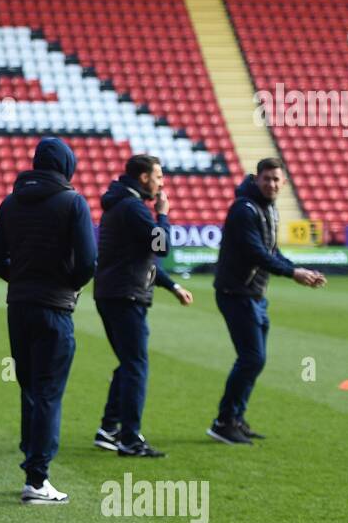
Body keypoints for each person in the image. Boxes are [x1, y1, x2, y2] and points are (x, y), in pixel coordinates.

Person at [0, 138, 97, 505]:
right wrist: (68, 286)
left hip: (18, 307)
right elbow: (87, 262)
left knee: (30, 388)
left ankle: (32, 460)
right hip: (55, 309)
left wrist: (20, 281)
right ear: (67, 165)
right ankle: (37, 478)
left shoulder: (11, 202)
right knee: (49, 391)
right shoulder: (73, 202)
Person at [208, 158, 326, 445]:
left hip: (254, 295)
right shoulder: (244, 210)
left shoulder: (267, 209)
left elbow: (271, 251)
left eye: (276, 180)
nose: (271, 184)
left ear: (283, 182)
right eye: (267, 179)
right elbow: (255, 254)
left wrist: (299, 269)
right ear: (256, 178)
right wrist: (292, 273)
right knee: (252, 357)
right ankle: (224, 421)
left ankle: (235, 418)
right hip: (236, 293)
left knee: (254, 359)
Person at [92, 154, 193, 459]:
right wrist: (163, 215)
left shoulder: (120, 204)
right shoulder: (134, 207)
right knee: (136, 365)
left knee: (128, 362)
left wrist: (172, 285)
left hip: (113, 293)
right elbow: (160, 247)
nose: (162, 183)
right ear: (145, 178)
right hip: (126, 297)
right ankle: (130, 438)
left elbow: (138, 258)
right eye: (159, 176)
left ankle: (109, 428)